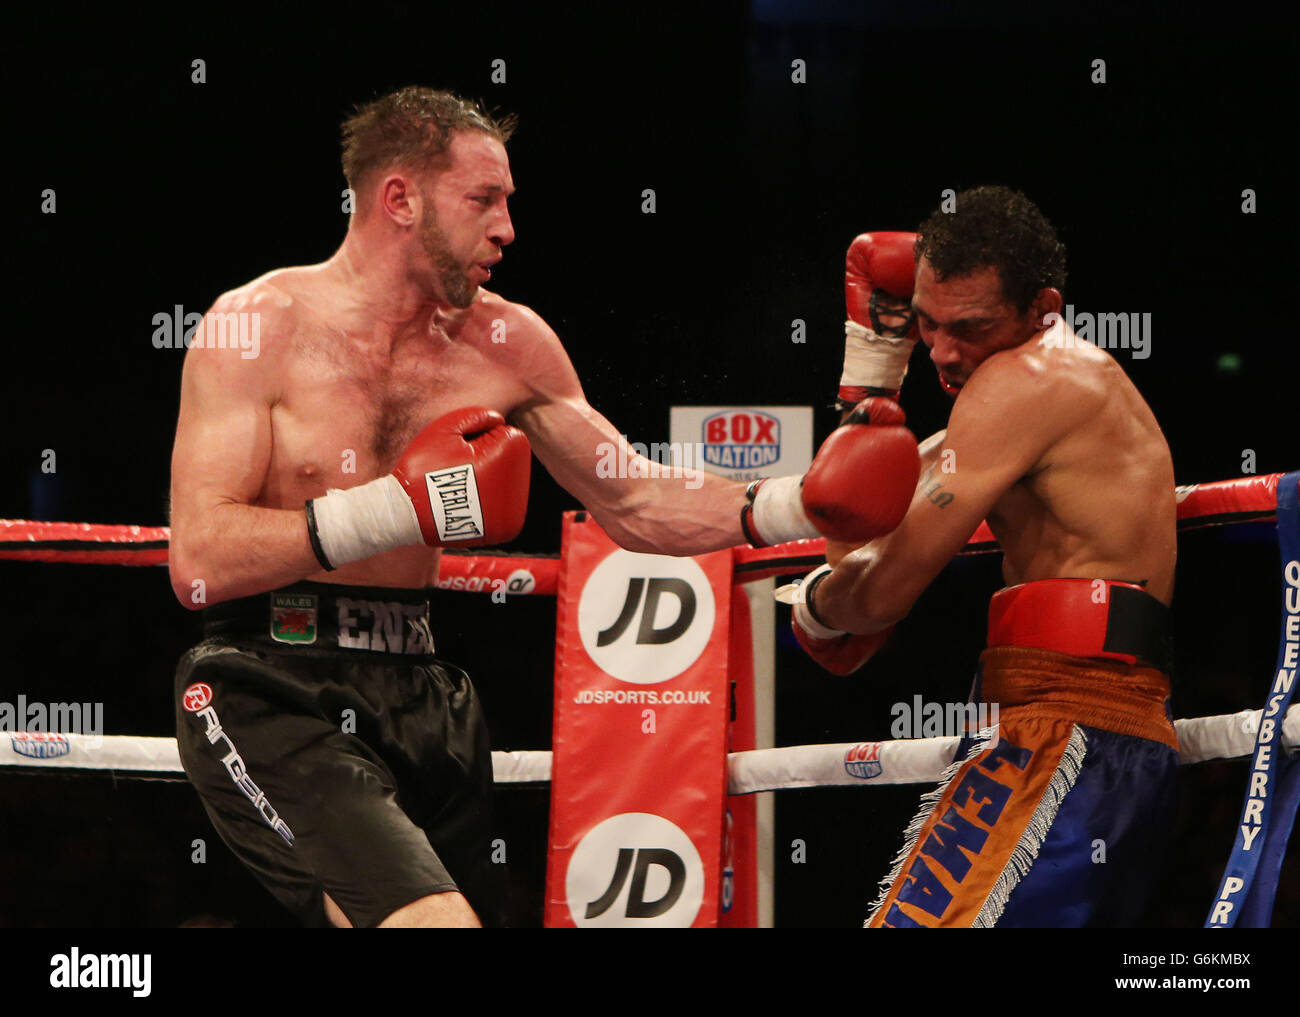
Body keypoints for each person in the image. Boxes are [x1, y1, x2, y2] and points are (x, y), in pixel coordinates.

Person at [167, 86, 919, 928]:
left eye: (508, 203)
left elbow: (632, 493)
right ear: (400, 199)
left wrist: (799, 504)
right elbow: (199, 560)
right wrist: (396, 509)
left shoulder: (508, 342)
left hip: (424, 690)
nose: (507, 229)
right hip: (274, 676)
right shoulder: (258, 325)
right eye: (483, 200)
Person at [784, 187, 1179, 927]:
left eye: (970, 327)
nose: (942, 352)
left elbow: (873, 594)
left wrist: (811, 607)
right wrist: (872, 372)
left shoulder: (1026, 380)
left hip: (1066, 732)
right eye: (925, 326)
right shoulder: (1022, 396)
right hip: (1068, 730)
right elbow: (854, 540)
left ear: (1043, 308)